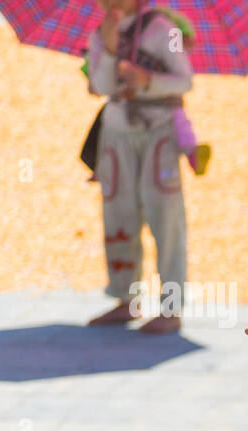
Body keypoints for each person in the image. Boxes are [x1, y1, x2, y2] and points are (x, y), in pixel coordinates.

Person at [84, 0, 193, 335]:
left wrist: (147, 79)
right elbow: (101, 87)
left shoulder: (164, 30)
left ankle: (171, 307)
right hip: (116, 134)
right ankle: (124, 298)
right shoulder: (101, 35)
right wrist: (112, 47)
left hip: (158, 132)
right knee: (117, 213)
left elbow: (184, 81)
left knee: (166, 217)